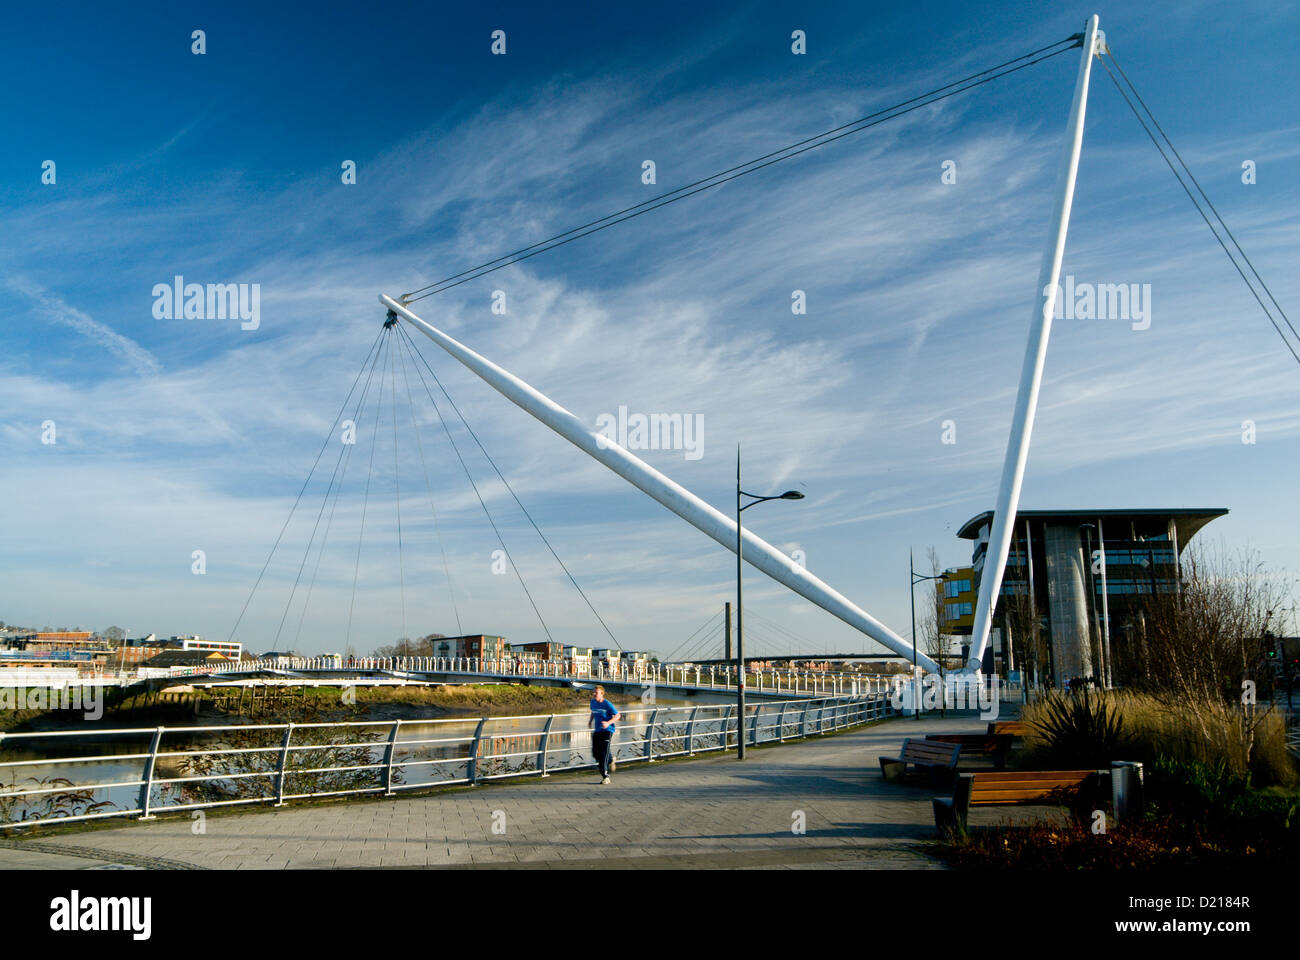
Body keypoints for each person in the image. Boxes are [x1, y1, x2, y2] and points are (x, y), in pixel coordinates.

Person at [588, 685, 620, 784]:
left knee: (603, 754)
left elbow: (618, 715)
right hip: (598, 730)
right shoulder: (593, 702)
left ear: (602, 694)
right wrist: (590, 721)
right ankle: (611, 760)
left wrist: (608, 723)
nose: (594, 694)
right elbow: (593, 712)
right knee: (595, 753)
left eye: (596, 693)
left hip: (607, 731)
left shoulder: (607, 704)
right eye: (593, 692)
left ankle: (605, 776)